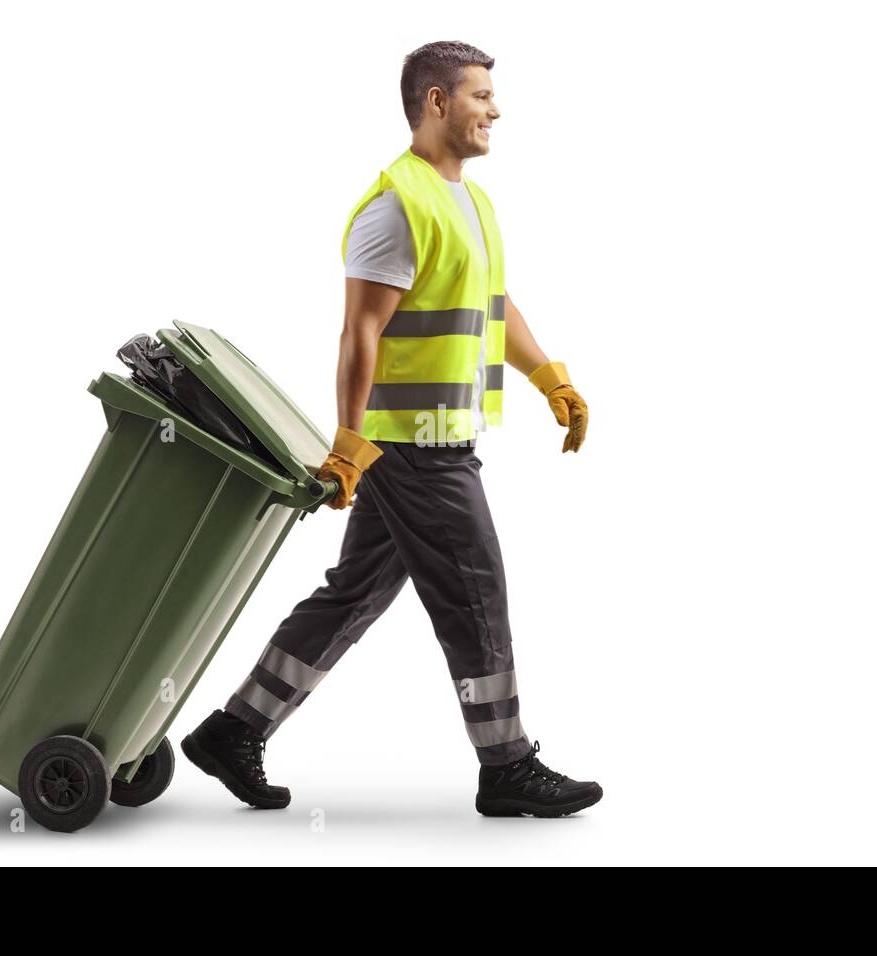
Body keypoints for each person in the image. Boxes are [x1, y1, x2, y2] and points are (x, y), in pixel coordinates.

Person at [181, 40, 599, 817]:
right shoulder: (395, 205)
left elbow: (493, 307)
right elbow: (359, 334)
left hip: (437, 435)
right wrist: (347, 443)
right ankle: (506, 765)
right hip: (413, 446)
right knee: (476, 594)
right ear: (436, 103)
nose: (495, 109)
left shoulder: (470, 202)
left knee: (353, 594)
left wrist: (552, 379)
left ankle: (232, 729)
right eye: (480, 96)